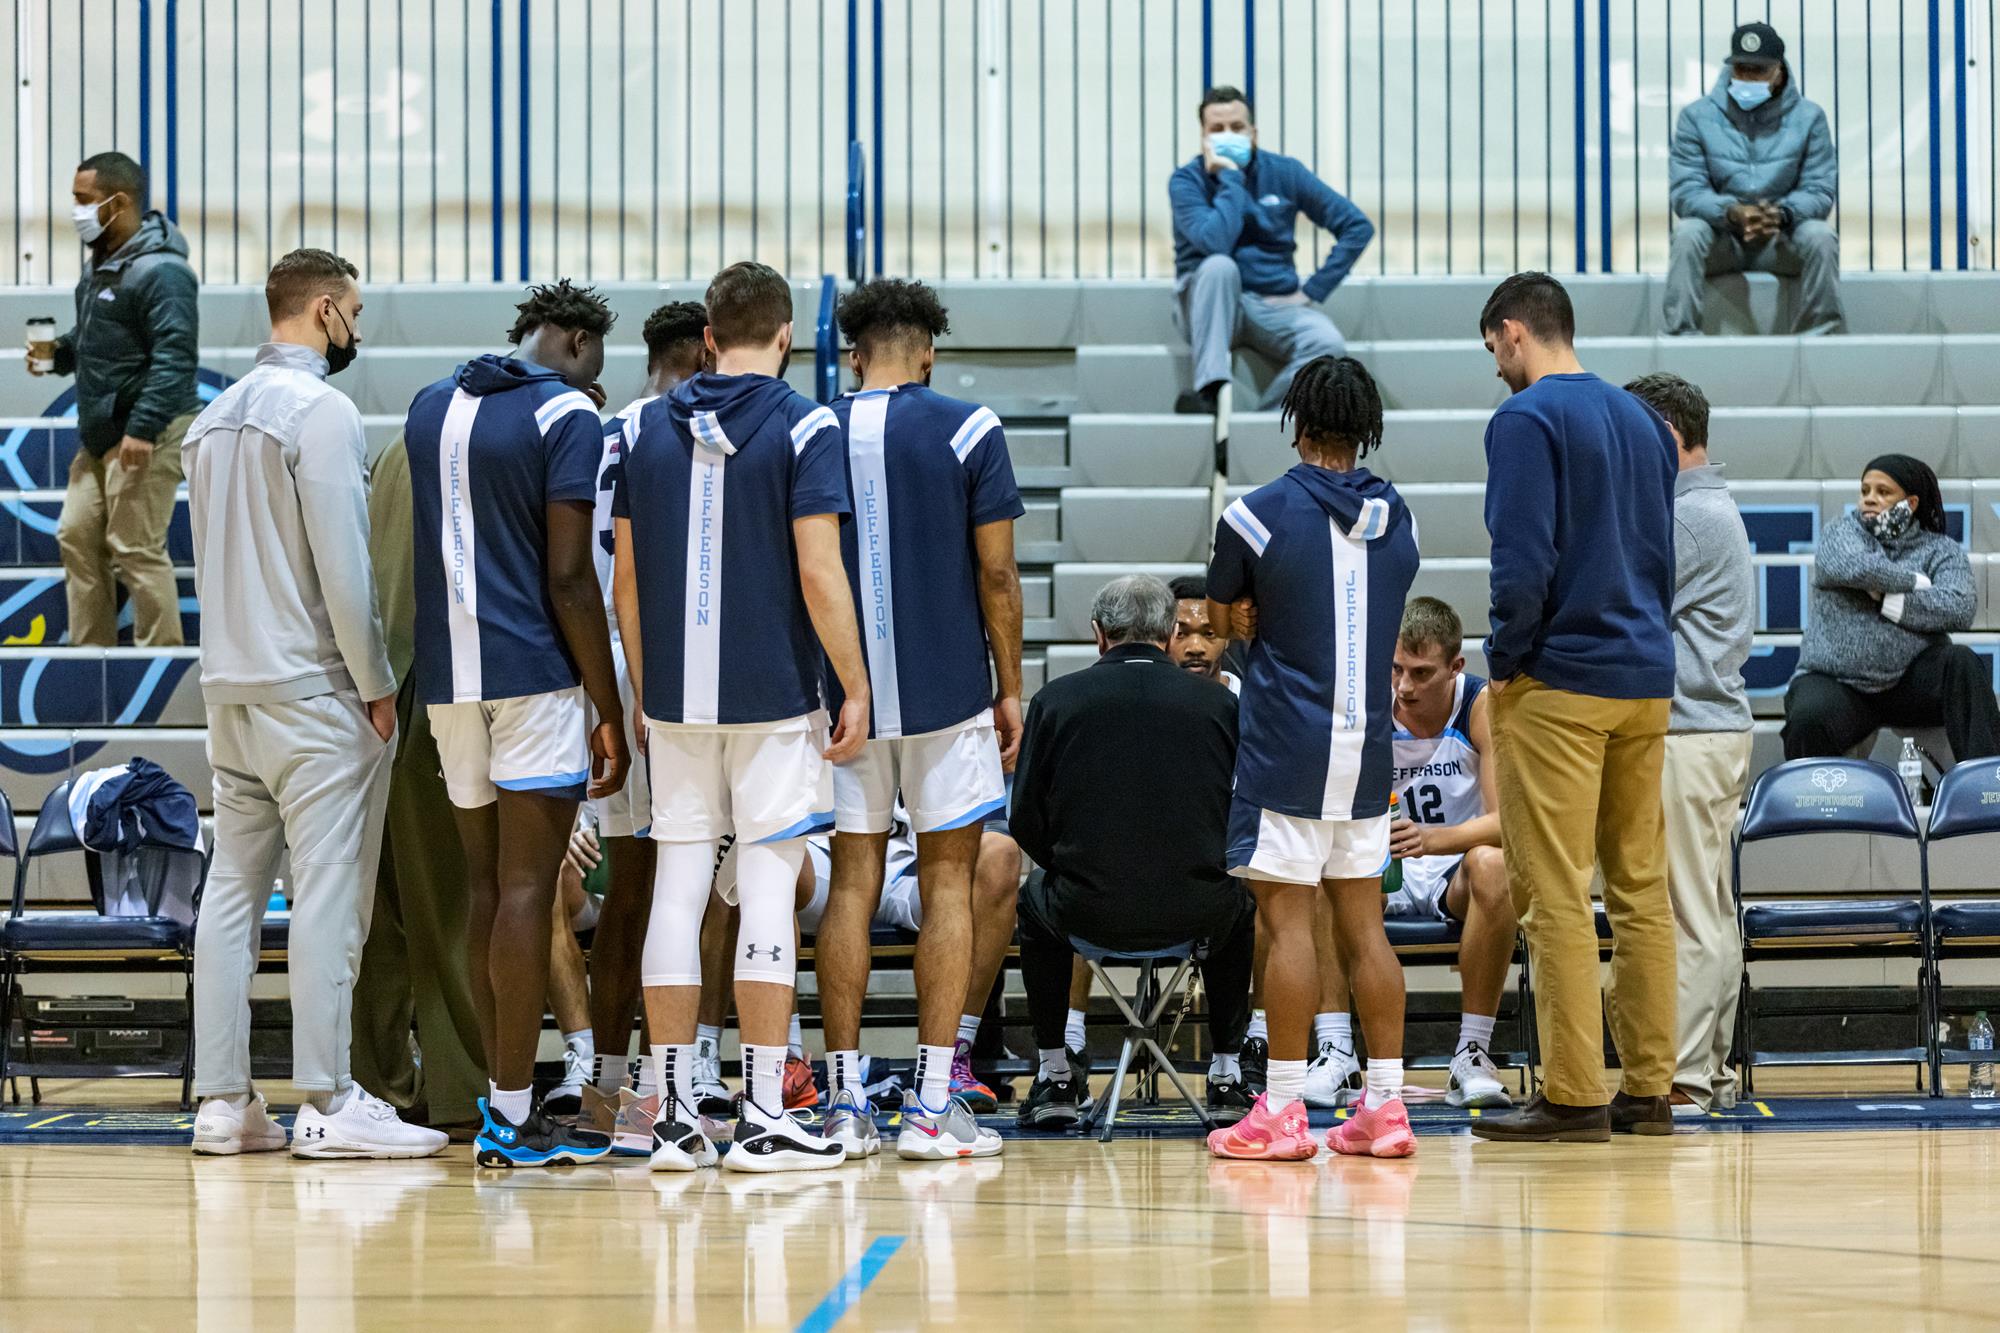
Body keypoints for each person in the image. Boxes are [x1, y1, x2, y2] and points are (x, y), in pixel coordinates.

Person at [183, 248, 443, 1160]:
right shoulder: (323, 414)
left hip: (230, 694)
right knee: (332, 902)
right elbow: (346, 566)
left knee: (230, 896)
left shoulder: (208, 420)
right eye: (356, 312)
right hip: (314, 694)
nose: (360, 329)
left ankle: (223, 1100)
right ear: (325, 309)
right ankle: (328, 1098)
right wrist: (378, 687)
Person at [613, 260, 868, 1174]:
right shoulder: (807, 423)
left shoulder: (637, 425)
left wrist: (645, 689)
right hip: (773, 694)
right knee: (766, 886)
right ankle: (764, 1110)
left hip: (676, 698)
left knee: (678, 885)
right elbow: (820, 571)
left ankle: (673, 1115)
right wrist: (857, 682)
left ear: (710, 337)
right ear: (787, 336)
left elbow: (625, 584)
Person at [405, 279, 631, 1167]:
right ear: (573, 339)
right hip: (535, 676)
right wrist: (606, 705)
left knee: (486, 890)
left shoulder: (429, 405)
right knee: (529, 894)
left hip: (447, 682)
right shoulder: (565, 415)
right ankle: (508, 1113)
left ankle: (498, 1104)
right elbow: (573, 578)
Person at [814, 277, 1024, 1163]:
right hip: (948, 695)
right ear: (928, 350)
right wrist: (1009, 684)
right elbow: (1000, 579)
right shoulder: (971, 428)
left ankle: (842, 1101)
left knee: (853, 884)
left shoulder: (813, 426)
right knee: (947, 882)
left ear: (852, 353)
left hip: (841, 698)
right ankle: (934, 1104)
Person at [1470, 273, 1679, 1143]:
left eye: (1492, 351)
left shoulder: (1524, 420)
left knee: (1553, 892)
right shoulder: (1643, 420)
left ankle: (1573, 1094)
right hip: (1646, 677)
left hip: (1559, 680)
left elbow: (1521, 562)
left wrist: (1505, 662)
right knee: (1640, 891)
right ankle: (1652, 1090)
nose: (1495, 370)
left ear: (1514, 333)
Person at [1203, 355, 1420, 1162]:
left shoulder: (1254, 515)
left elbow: (1224, 611)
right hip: (1367, 752)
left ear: (1297, 423)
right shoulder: (1400, 517)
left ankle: (1285, 1111)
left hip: (1286, 748)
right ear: (1365, 428)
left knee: (1287, 923)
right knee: (1366, 930)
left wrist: (1251, 616)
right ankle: (1387, 1108)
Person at [1008, 575, 1254, 1131]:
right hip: (1197, 906)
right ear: (1169, 634)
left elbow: (1024, 818)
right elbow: (1244, 811)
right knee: (1240, 904)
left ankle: (1054, 1075)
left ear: (1098, 635)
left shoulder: (1055, 700)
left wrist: (1076, 866)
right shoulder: (1220, 704)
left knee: (1033, 902)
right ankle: (1227, 1073)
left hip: (1087, 907)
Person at [577, 300, 712, 1143]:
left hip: (600, 671)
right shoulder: (693, 428)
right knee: (697, 885)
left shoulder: (597, 432)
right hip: (670, 672)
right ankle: (680, 1078)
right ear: (706, 351)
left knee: (628, 889)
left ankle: (608, 1079)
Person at [1305, 596, 1517, 1111]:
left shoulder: (1480, 705)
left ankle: (1472, 1053)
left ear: (1455, 667)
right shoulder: (1369, 705)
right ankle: (1336, 1050)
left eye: (1422, 673)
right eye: (1396, 669)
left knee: (1498, 867)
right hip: (1379, 867)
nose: (1404, 686)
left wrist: (1432, 839)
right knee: (1318, 871)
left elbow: (1508, 823)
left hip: (1454, 867)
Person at [348, 425, 489, 1138]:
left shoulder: (398, 443)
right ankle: (463, 1091)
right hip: (435, 689)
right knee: (450, 910)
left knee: (379, 917)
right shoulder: (484, 440)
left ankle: (379, 1085)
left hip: (364, 690)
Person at [1625, 373, 1756, 1115]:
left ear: (1666, 435)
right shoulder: (1709, 508)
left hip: (1689, 730)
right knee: (1708, 902)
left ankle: (1685, 1076)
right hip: (1711, 728)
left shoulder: (1688, 517)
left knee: (1687, 911)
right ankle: (1709, 1068)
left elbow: (1629, 604)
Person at [32, 151, 200, 648]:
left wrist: (143, 429)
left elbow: (174, 358)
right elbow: (96, 338)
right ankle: (92, 660)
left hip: (148, 430)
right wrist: (61, 354)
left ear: (117, 202)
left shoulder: (163, 273)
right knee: (77, 537)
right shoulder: (102, 263)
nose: (76, 212)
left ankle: (160, 665)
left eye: (83, 201)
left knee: (136, 549)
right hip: (104, 432)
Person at [1169, 86, 1374, 420]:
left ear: (1253, 132)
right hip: (1210, 306)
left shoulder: (1284, 172)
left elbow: (1357, 226)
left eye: (1236, 127)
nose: (1227, 135)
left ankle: (1259, 426)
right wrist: (1231, 179)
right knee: (1220, 266)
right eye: (1216, 130)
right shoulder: (1186, 181)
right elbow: (1216, 243)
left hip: (1272, 304)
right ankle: (1208, 392)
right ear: (1203, 136)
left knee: (1328, 344)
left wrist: (1312, 291)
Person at [1782, 455, 1997, 763]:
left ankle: (1987, 787)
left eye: (1883, 492)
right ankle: (1807, 806)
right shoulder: (1842, 531)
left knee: (1961, 662)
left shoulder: (1940, 549)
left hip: (1909, 683)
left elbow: (1960, 608)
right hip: (1840, 683)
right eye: (1865, 490)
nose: (1870, 499)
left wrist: (1888, 600)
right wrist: (1916, 582)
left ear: (1910, 503)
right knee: (1807, 714)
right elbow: (1852, 567)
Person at [1664, 22, 1842, 337]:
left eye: (1758, 70)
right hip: (1723, 239)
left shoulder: (1810, 118)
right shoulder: (1697, 116)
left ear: (1779, 71)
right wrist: (1730, 212)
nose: (1747, 78)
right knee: (1688, 233)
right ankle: (1681, 336)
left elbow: (1820, 189)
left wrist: (1781, 214)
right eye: (1741, 69)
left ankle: (1820, 337)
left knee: (1820, 237)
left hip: (1781, 238)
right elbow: (1686, 191)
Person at [1168, 573, 1238, 690]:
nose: (1195, 648)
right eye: (1179, 633)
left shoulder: (1255, 701)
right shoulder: (1145, 701)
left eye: (1210, 633)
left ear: (1227, 638)